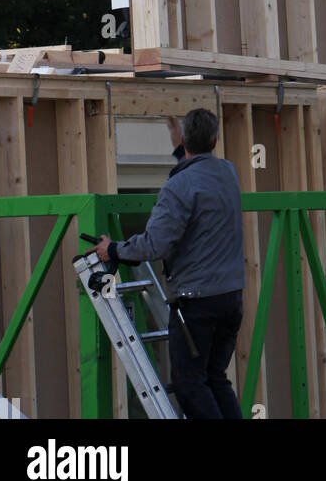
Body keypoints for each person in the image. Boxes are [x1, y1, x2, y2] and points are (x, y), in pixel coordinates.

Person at [94, 108, 245, 420]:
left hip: (197, 304)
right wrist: (182, 148)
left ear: (186, 142)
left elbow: (155, 244)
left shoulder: (178, 187)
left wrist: (114, 250)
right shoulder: (229, 173)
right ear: (215, 141)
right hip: (230, 299)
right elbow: (199, 177)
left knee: (190, 384)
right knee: (215, 378)